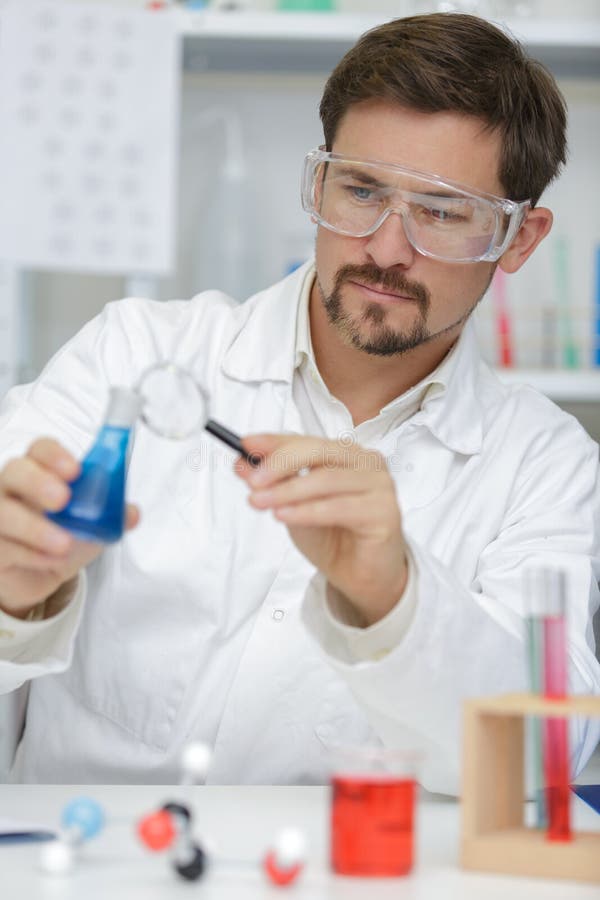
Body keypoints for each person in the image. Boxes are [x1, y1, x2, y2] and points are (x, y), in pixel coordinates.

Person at [0, 13, 599, 790]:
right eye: (361, 189)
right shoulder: (135, 354)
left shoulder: (546, 467)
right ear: (317, 181)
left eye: (444, 212)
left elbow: (545, 754)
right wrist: (18, 593)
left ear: (519, 239)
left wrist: (393, 595)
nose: (386, 249)